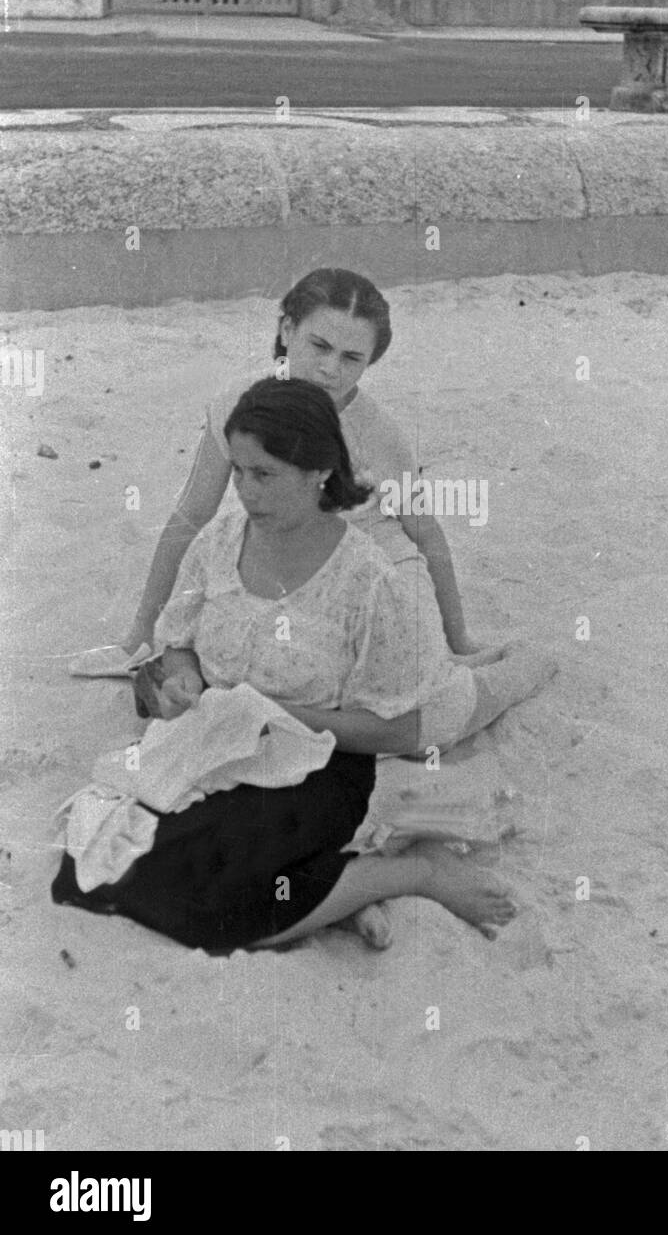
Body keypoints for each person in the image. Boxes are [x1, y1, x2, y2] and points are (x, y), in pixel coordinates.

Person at [53, 379, 518, 952]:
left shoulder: (369, 581)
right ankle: (336, 894)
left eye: (265, 475)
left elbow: (399, 728)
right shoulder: (220, 543)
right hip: (218, 751)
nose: (246, 491)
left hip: (318, 769)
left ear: (319, 470)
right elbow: (179, 644)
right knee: (98, 870)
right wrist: (183, 682)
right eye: (241, 472)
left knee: (219, 909)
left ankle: (415, 874)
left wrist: (275, 712)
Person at [70, 269, 554, 749]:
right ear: (286, 332)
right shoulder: (241, 407)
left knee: (408, 712)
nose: (330, 369)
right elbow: (190, 515)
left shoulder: (379, 433)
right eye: (319, 346)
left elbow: (424, 534)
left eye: (351, 358)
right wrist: (140, 629)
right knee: (227, 677)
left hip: (375, 569)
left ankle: (502, 678)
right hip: (275, 556)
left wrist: (458, 637)